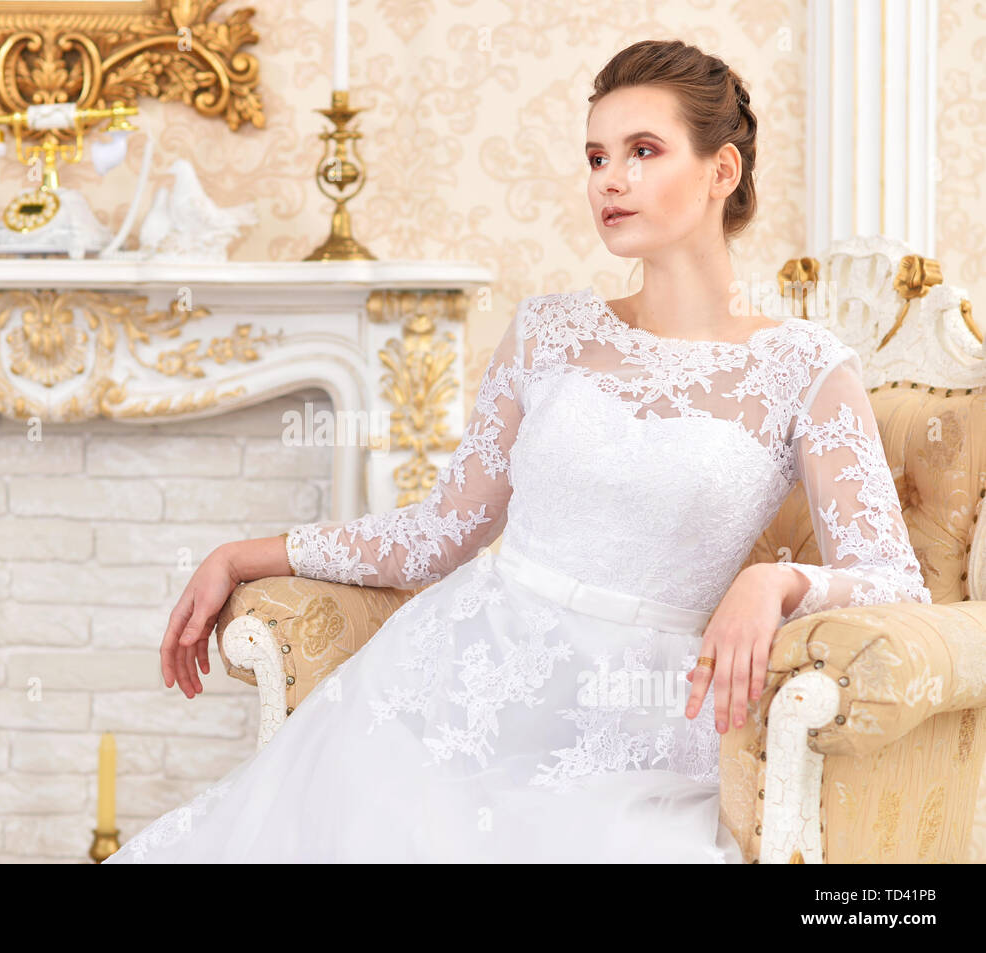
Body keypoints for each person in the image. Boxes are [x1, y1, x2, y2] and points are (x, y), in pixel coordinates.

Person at [103, 39, 931, 863]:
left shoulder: (805, 368)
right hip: (456, 676)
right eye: (598, 156)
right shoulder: (547, 331)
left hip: (635, 719)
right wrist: (241, 554)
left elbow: (897, 584)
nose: (610, 178)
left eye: (644, 152)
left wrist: (777, 579)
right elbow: (440, 533)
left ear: (723, 171)